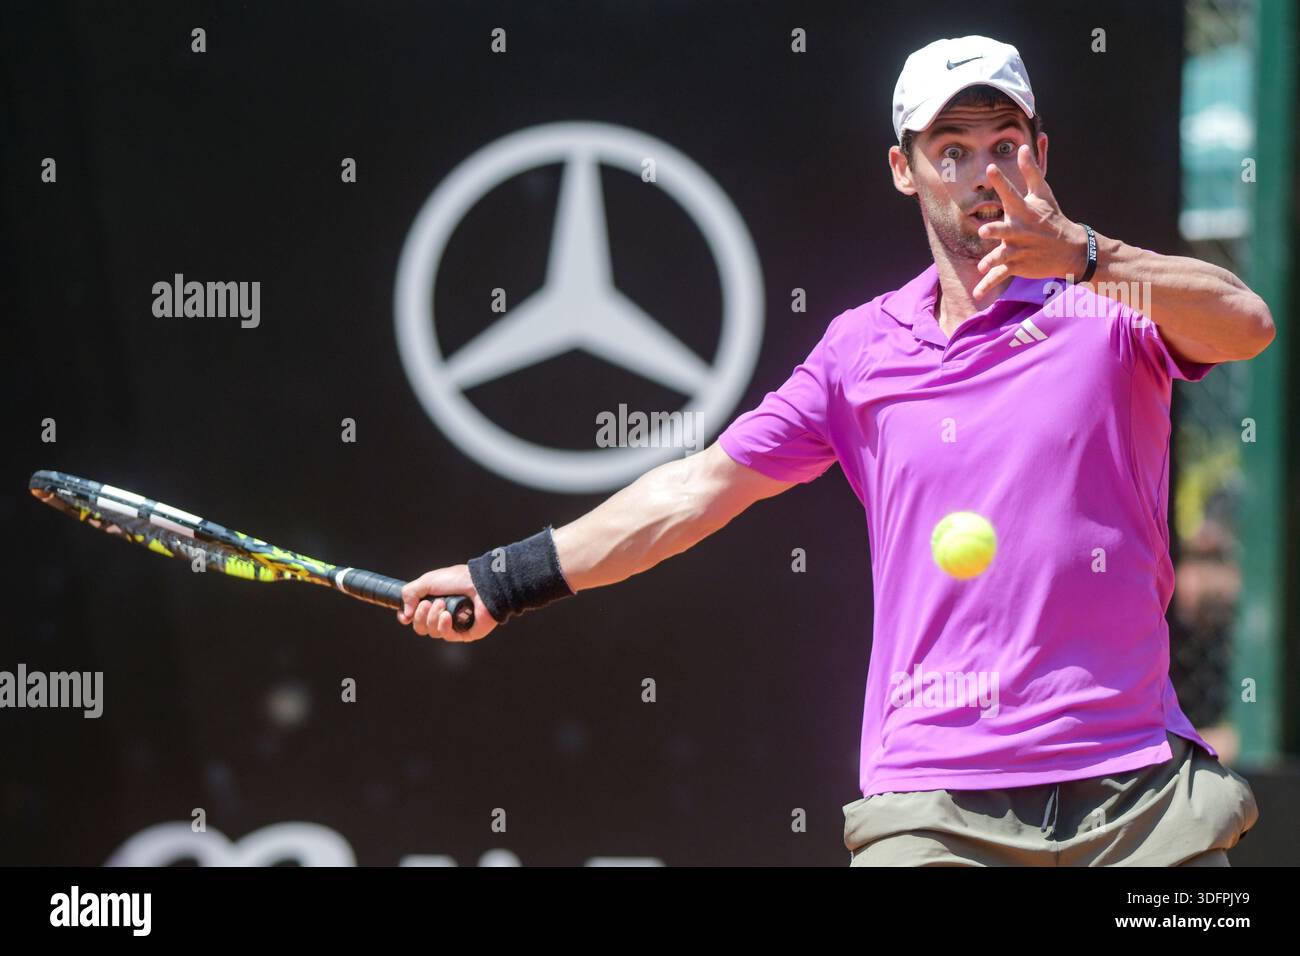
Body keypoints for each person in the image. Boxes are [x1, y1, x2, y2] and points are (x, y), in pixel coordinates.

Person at [396, 35, 1271, 866]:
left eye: (1005, 144)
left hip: (1138, 793)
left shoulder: (1111, 303)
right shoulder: (861, 352)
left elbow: (1247, 325)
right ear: (905, 169)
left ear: (1041, 153)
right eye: (951, 150)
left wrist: (1088, 256)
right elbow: (696, 491)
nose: (983, 175)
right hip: (934, 804)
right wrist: (505, 579)